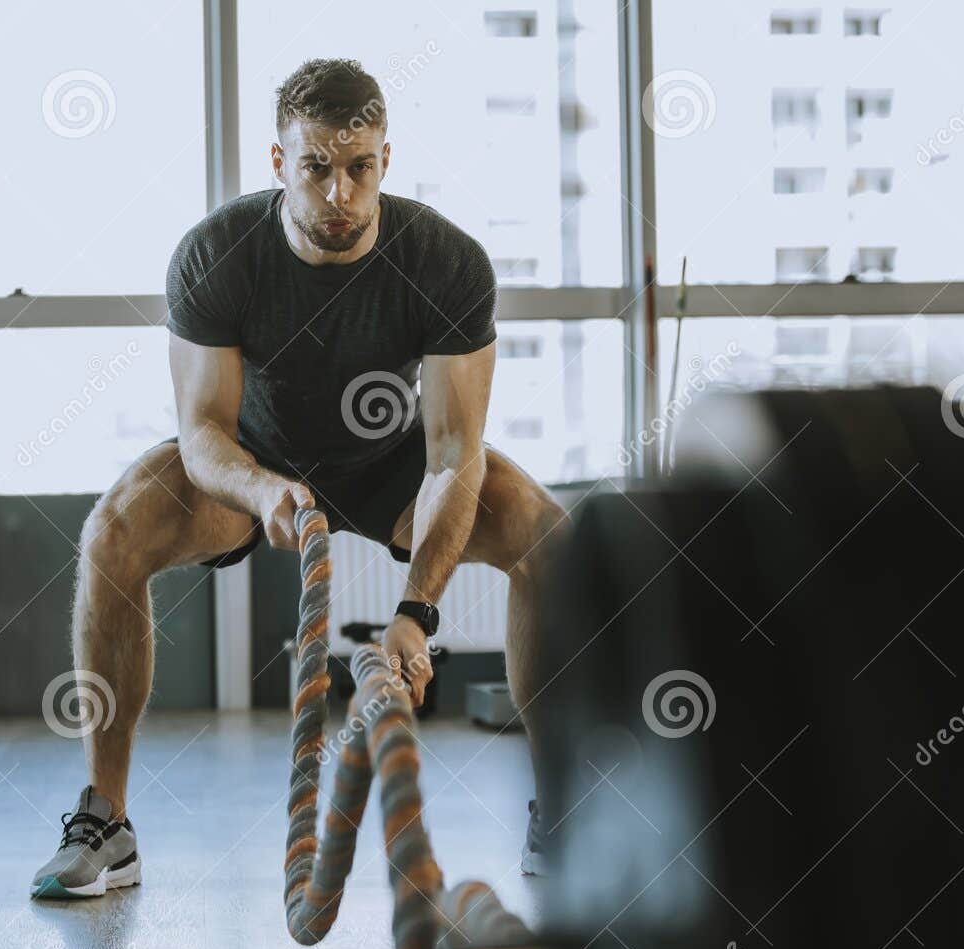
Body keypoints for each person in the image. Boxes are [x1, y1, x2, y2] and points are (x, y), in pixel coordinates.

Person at [31, 58, 567, 899]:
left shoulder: (446, 261)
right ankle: (107, 818)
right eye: (317, 167)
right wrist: (257, 489)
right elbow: (202, 430)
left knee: (546, 536)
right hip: (255, 462)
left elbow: (455, 455)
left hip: (393, 469)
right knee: (113, 533)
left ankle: (562, 806)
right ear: (281, 164)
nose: (340, 194)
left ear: (385, 161)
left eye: (360, 168)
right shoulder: (217, 255)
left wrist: (417, 613)